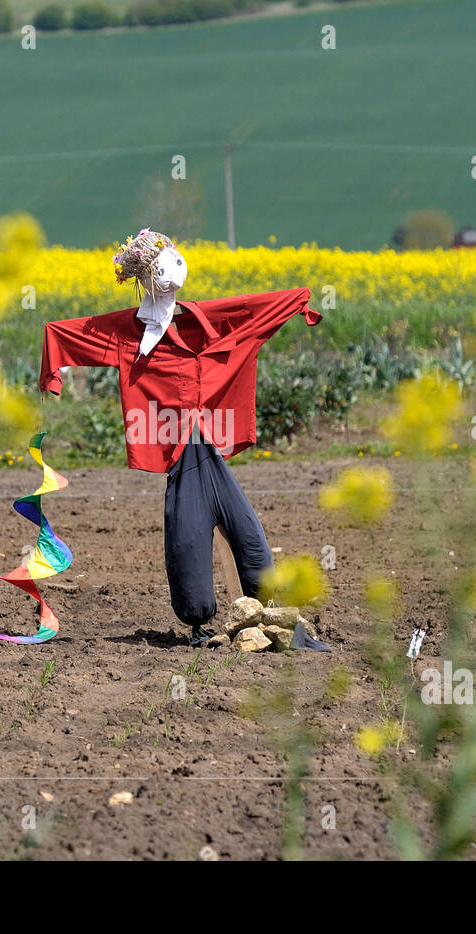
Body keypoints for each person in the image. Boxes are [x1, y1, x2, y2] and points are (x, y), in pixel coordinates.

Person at [39, 228, 322, 645]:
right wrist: (54, 367)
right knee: (189, 565)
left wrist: (299, 304)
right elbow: (70, 333)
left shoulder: (216, 322)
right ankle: (200, 621)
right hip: (178, 458)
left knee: (254, 549)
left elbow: (257, 307)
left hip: (210, 452)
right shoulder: (128, 333)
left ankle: (257, 610)